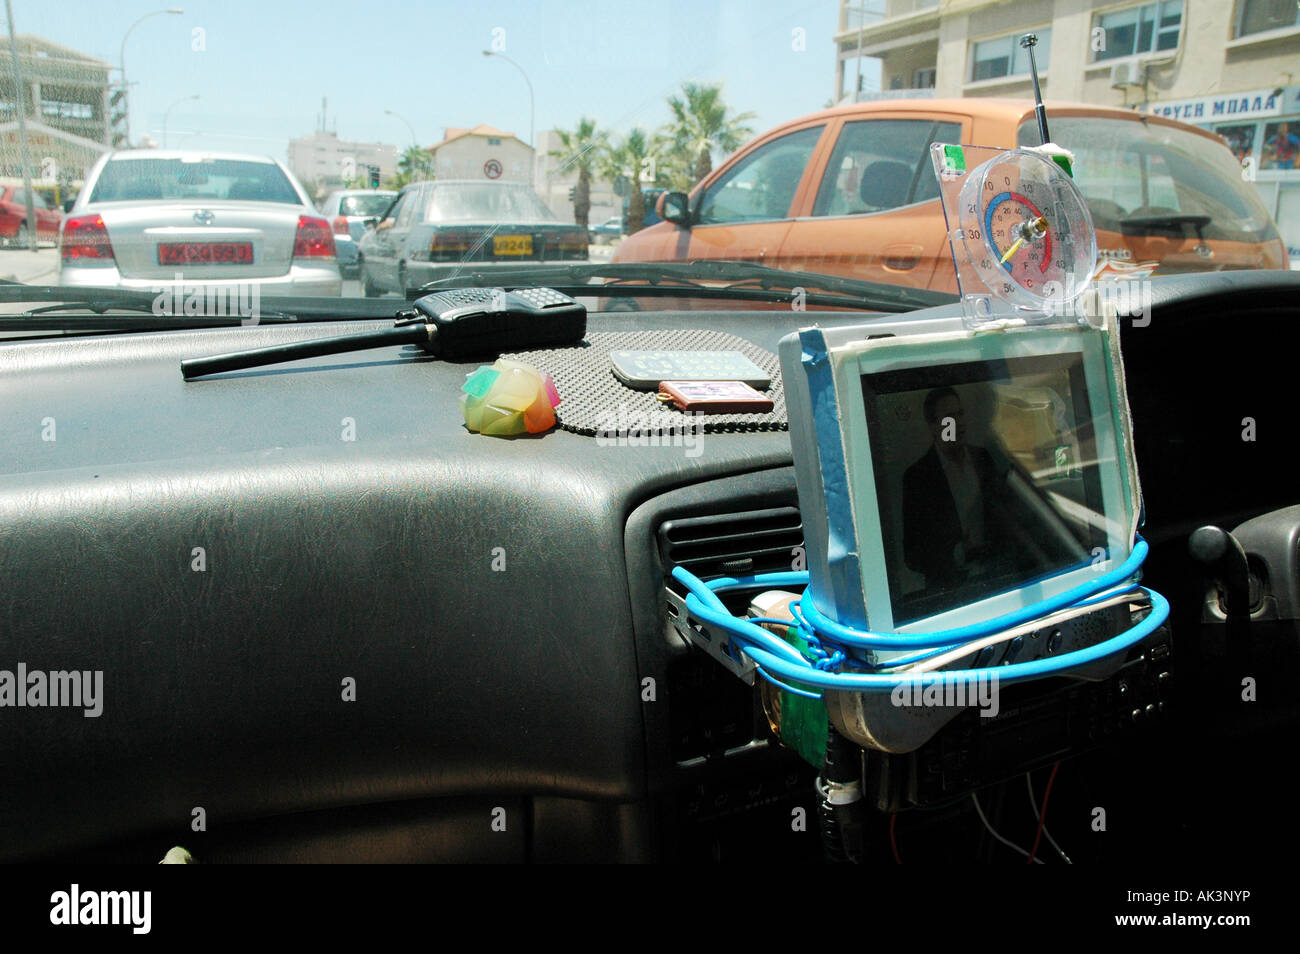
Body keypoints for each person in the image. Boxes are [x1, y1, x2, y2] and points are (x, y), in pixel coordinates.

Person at [901, 387, 1012, 592]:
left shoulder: (984, 458)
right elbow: (913, 556)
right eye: (949, 418)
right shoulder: (917, 477)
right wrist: (957, 554)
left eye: (960, 414)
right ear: (933, 426)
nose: (958, 423)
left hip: (998, 578)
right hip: (950, 593)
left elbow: (1007, 517)